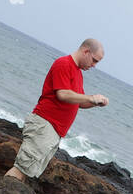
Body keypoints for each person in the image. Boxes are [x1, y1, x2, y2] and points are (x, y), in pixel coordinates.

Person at [6, 38, 108, 181]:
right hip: (44, 124)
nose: (94, 65)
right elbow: (63, 94)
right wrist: (90, 97)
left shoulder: (78, 73)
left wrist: (96, 102)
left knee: (26, 171)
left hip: (54, 131)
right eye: (94, 60)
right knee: (21, 168)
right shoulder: (64, 64)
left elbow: (78, 102)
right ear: (86, 51)